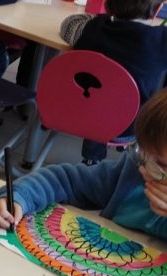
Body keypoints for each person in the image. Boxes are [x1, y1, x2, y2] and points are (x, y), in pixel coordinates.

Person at [0, 88, 167, 240]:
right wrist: (20, 197)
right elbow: (66, 180)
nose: (144, 167)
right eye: (142, 152)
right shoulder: (131, 170)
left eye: (161, 164)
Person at [59, 0, 167, 165]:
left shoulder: (93, 27)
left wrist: (98, 17)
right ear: (157, 9)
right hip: (130, 127)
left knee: (101, 99)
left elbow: (69, 23)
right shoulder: (161, 40)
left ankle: (91, 158)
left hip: (79, 112)